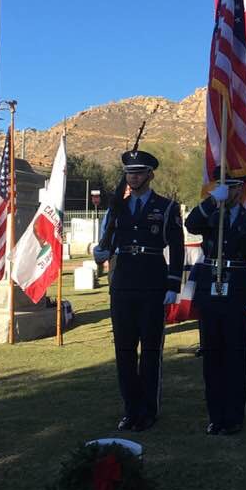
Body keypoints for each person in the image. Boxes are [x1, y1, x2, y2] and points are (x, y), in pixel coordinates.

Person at [93, 150, 184, 432]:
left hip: (152, 282)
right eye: (129, 173)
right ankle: (130, 409)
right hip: (122, 283)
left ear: (150, 175)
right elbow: (106, 241)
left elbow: (177, 249)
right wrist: (99, 251)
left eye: (139, 172)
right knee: (124, 350)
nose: (133, 177)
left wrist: (172, 284)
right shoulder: (116, 207)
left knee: (151, 349)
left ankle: (148, 410)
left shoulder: (166, 207)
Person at [184, 170, 246, 435]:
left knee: (235, 354)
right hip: (211, 286)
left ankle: (233, 416)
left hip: (238, 288)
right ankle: (215, 415)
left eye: (232, 188)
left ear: (240, 189)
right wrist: (212, 200)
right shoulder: (211, 214)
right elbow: (190, 224)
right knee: (212, 354)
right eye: (223, 186)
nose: (229, 192)